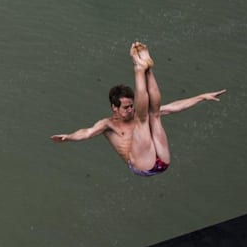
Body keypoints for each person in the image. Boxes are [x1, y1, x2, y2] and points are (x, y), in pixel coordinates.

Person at [50, 43, 225, 176]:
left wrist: (201, 97)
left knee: (154, 115)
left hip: (162, 161)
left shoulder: (136, 114)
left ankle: (147, 69)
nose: (130, 109)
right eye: (126, 107)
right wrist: (69, 137)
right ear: (114, 108)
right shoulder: (108, 124)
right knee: (143, 120)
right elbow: (86, 132)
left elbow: (174, 107)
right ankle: (139, 69)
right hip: (142, 166)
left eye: (132, 105)